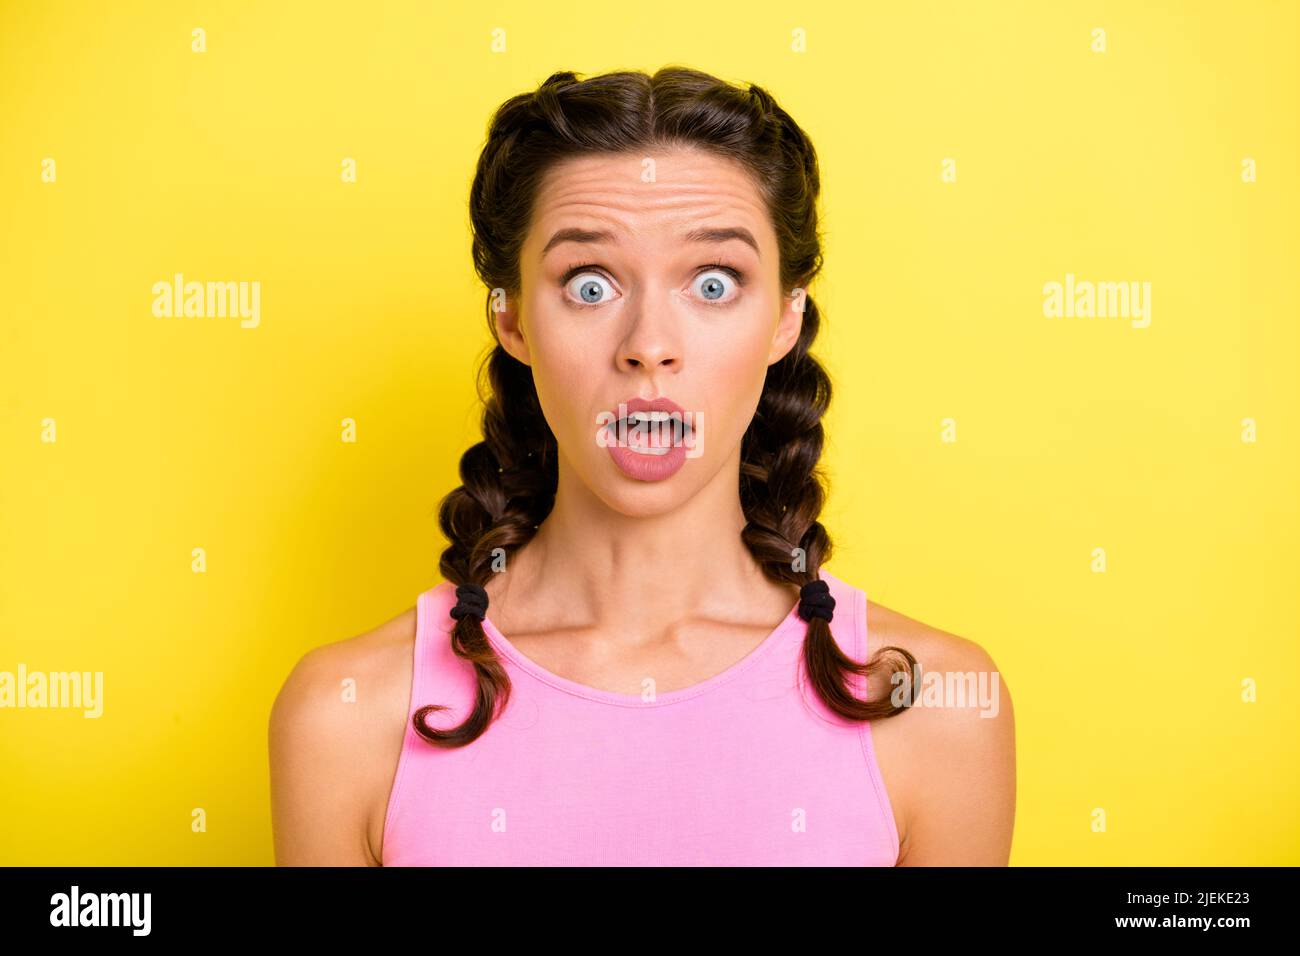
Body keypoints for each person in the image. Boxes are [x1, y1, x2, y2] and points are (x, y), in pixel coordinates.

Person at [269, 66, 1015, 866]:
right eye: (589, 286)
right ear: (512, 319)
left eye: (714, 282)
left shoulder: (931, 707)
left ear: (785, 320)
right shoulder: (344, 717)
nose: (647, 343)